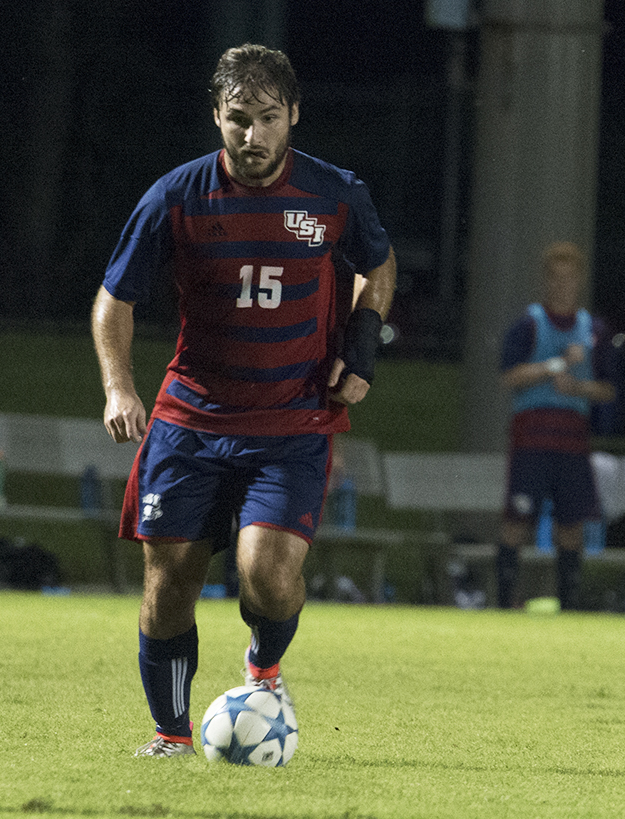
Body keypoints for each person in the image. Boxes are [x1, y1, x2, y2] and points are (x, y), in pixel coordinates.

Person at [91, 43, 396, 757]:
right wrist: (119, 386)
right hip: (192, 420)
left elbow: (376, 266)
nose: (252, 136)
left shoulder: (334, 194)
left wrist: (365, 347)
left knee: (267, 571)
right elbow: (114, 301)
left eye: (266, 118)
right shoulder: (177, 196)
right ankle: (170, 736)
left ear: (292, 113)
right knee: (169, 584)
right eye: (237, 119)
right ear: (216, 116)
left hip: (292, 419)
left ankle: (264, 668)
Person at [495, 241, 616, 611]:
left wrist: (577, 387)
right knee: (517, 519)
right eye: (556, 278)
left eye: (569, 278)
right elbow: (509, 376)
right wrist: (555, 366)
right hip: (532, 438)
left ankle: (569, 603)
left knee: (571, 525)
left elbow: (608, 389)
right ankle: (504, 600)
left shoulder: (592, 330)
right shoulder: (530, 324)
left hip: (572, 441)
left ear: (578, 281)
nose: (563, 285)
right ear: (546, 281)